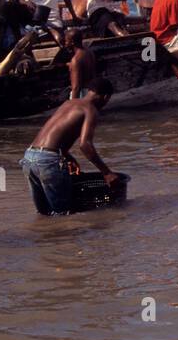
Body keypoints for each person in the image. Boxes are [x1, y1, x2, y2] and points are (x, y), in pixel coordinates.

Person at [21, 78, 119, 216]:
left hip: (29, 157)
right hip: (48, 161)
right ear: (106, 97)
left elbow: (55, 135)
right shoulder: (90, 110)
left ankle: (43, 237)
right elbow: (85, 145)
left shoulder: (69, 103)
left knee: (44, 214)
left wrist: (67, 156)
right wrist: (106, 173)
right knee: (64, 216)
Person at [64, 27, 97, 100]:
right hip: (92, 91)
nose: (65, 44)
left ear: (72, 42)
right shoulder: (89, 52)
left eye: (66, 41)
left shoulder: (76, 60)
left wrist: (73, 104)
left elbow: (76, 87)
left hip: (82, 94)